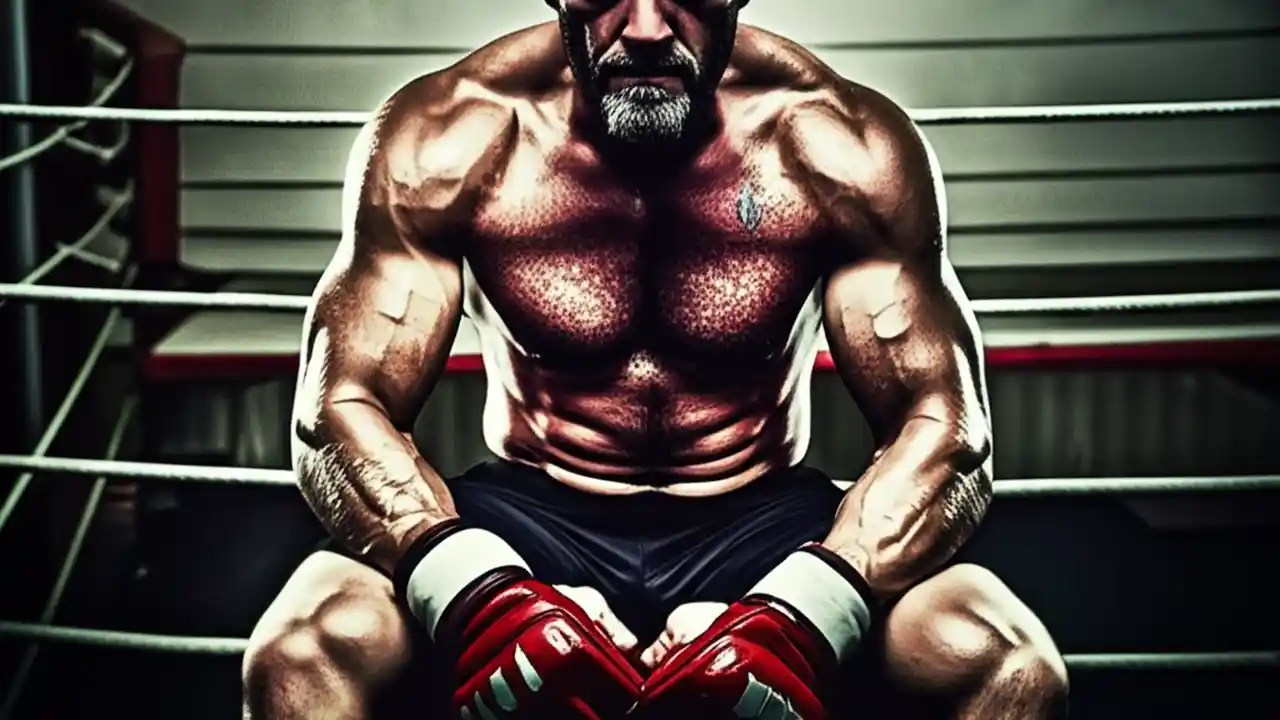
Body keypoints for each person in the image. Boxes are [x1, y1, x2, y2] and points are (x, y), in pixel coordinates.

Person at [242, 1, 1068, 717]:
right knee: (303, 646)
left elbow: (946, 427)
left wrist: (807, 606)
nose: (642, 28)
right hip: (531, 516)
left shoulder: (838, 145)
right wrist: (473, 587)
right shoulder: (455, 133)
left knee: (1004, 659)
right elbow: (337, 410)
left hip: (763, 518)